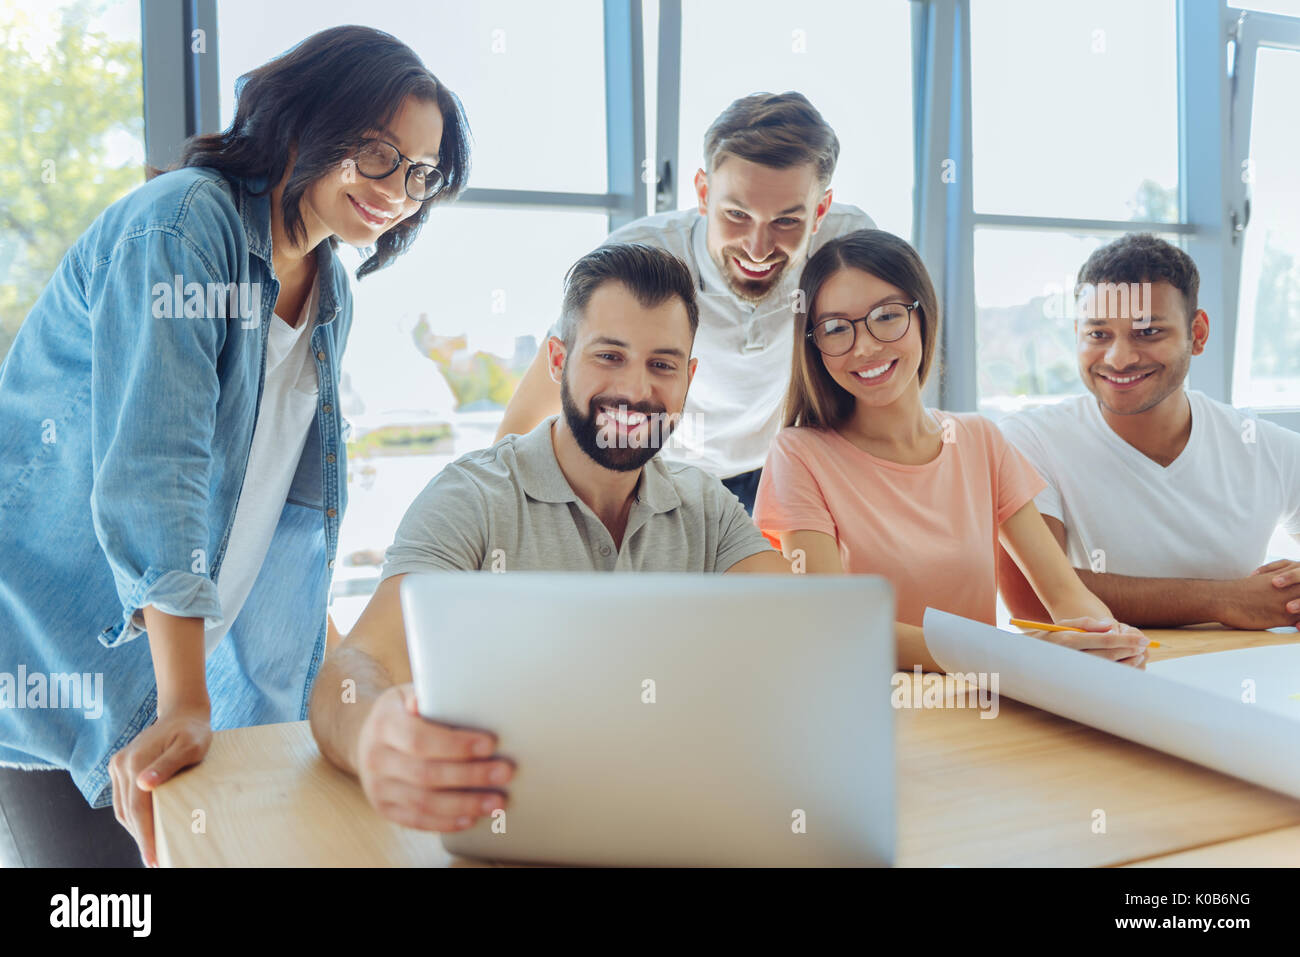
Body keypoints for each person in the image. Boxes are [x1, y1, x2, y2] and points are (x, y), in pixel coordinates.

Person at [0, 26, 470, 867]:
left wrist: (349, 690)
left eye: (421, 173)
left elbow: (281, 521)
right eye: (377, 152)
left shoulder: (331, 293)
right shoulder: (182, 226)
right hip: (53, 658)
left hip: (177, 681)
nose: (398, 189)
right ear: (304, 118)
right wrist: (185, 703)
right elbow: (157, 472)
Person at [309, 243, 790, 832]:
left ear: (689, 378)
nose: (636, 392)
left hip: (669, 819)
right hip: (502, 819)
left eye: (663, 365)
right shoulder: (473, 497)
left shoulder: (707, 506)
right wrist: (371, 736)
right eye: (609, 355)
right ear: (558, 361)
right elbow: (351, 670)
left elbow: (799, 635)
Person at [751, 229, 1149, 672]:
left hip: (982, 707)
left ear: (924, 315)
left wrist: (1108, 640)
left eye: (886, 317)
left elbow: (1064, 594)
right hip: (868, 711)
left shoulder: (980, 440)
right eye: (836, 328)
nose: (864, 347)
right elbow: (837, 624)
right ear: (815, 345)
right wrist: (1012, 656)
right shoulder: (799, 455)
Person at [494, 92, 876, 513]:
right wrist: (497, 509)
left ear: (820, 210)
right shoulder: (639, 256)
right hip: (666, 470)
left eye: (786, 221)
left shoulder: (849, 246)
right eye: (736, 214)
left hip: (781, 465)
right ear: (703, 192)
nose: (757, 248)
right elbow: (538, 405)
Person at [996, 233, 1300, 628]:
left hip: (1236, 675)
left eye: (1148, 332)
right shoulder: (1028, 441)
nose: (1118, 359)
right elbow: (1032, 601)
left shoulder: (1269, 448)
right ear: (1077, 334)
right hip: (1096, 684)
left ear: (1199, 334)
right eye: (1098, 334)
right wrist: (1222, 600)